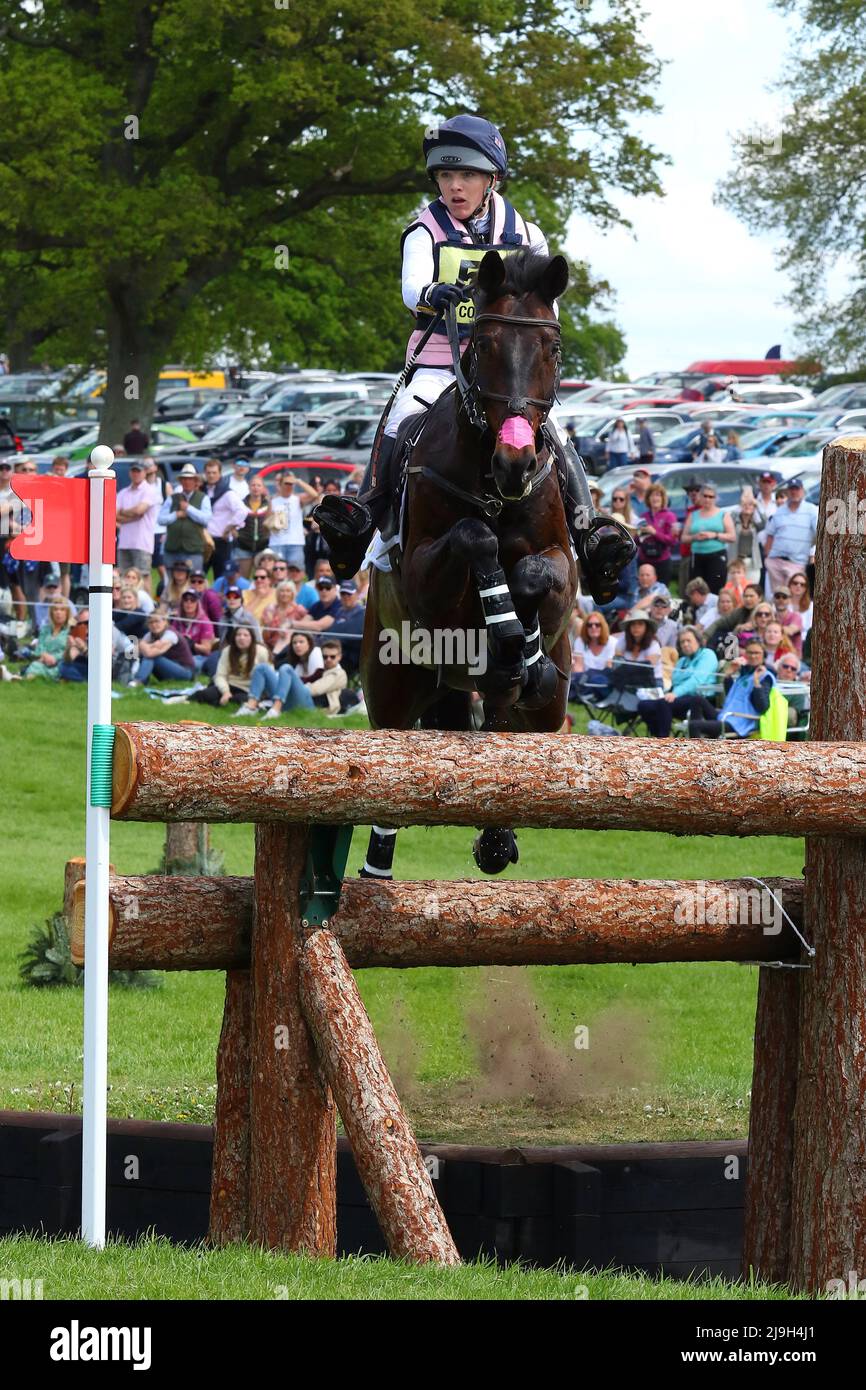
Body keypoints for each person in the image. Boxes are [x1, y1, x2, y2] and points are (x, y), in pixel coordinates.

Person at [312, 114, 634, 600]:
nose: (454, 187)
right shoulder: (425, 229)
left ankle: (588, 534)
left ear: (491, 179)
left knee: (558, 439)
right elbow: (409, 286)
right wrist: (431, 290)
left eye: (465, 176)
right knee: (400, 421)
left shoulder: (526, 233)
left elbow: (548, 307)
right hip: (439, 364)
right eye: (445, 176)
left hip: (506, 374)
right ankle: (365, 522)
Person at [684, 639, 776, 739]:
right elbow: (731, 698)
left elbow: (762, 708)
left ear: (763, 655)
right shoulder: (745, 674)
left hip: (740, 723)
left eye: (757, 653)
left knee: (694, 725)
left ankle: (699, 750)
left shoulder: (765, 676)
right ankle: (706, 739)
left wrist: (756, 683)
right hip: (726, 716)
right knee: (697, 699)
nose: (753, 656)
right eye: (750, 652)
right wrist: (729, 675)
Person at [638, 627, 719, 737]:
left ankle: (663, 741)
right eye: (682, 642)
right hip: (679, 698)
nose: (685, 644)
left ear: (698, 641)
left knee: (664, 704)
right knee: (644, 705)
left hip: (699, 699)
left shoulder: (707, 654)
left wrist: (675, 693)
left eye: (688, 640)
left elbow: (697, 680)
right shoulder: (682, 661)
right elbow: (674, 682)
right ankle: (656, 737)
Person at [238, 637, 348, 719]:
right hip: (295, 702)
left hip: (311, 708)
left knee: (286, 668)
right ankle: (250, 706)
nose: (328, 659)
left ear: (339, 657)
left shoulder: (339, 673)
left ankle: (275, 710)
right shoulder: (320, 670)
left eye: (332, 657)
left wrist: (289, 685)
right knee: (262, 668)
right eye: (325, 657)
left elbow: (314, 690)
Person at [190, 624, 271, 707]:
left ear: (252, 638)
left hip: (248, 690)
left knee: (238, 700)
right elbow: (220, 676)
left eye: (246, 635)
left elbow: (268, 675)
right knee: (205, 694)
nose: (241, 638)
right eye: (238, 635)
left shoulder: (261, 652)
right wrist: (225, 692)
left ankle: (219, 702)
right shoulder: (228, 651)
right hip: (229, 685)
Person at [763, 477, 818, 595]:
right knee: (778, 597)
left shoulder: (811, 510)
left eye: (796, 489)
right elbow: (770, 535)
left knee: (795, 597)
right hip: (775, 561)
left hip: (796, 562)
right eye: (791, 489)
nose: (794, 492)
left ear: (802, 491)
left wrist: (811, 554)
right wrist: (767, 557)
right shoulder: (779, 511)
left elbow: (818, 534)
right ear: (787, 491)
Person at [680, 484, 735, 593]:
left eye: (711, 497)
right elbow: (683, 538)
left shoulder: (723, 514)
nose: (707, 499)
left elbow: (732, 536)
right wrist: (694, 537)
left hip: (716, 555)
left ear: (716, 498)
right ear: (700, 497)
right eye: (705, 496)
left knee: (715, 587)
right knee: (697, 589)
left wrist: (714, 535)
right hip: (697, 556)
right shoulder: (693, 515)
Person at [158, 463, 213, 572]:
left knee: (193, 580)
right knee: (171, 581)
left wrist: (189, 509)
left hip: (193, 549)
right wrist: (176, 515)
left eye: (190, 479)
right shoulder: (172, 498)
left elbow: (206, 519)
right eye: (184, 479)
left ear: (195, 481)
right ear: (181, 481)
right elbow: (160, 520)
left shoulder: (203, 498)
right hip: (172, 548)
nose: (187, 482)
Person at [264, 471, 320, 569]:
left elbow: (315, 494)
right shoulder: (273, 501)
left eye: (291, 484)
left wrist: (298, 481)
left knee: (296, 571)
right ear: (280, 484)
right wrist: (273, 522)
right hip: (277, 543)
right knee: (277, 572)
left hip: (295, 542)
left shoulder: (297, 499)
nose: (289, 486)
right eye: (286, 483)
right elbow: (265, 524)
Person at [116, 460, 160, 577]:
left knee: (143, 576)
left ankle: (145, 596)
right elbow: (114, 515)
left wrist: (123, 512)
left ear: (145, 472)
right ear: (130, 473)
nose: (136, 474)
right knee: (124, 577)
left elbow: (139, 510)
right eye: (133, 471)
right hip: (124, 542)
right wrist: (133, 516)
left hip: (142, 542)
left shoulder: (150, 490)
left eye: (138, 471)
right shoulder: (123, 492)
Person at [132, 609, 196, 685]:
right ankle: (140, 680)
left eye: (157, 621)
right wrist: (143, 645)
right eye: (151, 622)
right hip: (169, 670)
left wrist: (142, 644)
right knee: (144, 656)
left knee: (152, 657)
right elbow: (136, 652)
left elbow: (149, 653)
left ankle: (138, 681)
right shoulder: (150, 635)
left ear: (165, 622)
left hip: (185, 672)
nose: (154, 625)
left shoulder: (170, 634)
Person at [636, 483, 678, 584]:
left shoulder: (670, 516)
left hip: (662, 561)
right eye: (652, 495)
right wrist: (640, 534)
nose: (655, 498)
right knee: (644, 590)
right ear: (648, 498)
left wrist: (654, 532)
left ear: (663, 498)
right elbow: (636, 541)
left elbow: (672, 541)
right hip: (644, 560)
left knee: (661, 595)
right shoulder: (643, 516)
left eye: (658, 495)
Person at [569, 610, 616, 700]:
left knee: (597, 679)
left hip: (602, 678)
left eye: (597, 625)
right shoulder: (580, 641)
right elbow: (578, 667)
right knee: (574, 678)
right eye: (589, 625)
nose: (593, 627)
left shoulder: (612, 642)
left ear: (603, 627)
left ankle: (579, 694)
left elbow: (608, 667)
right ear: (585, 628)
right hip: (583, 678)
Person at [22, 595, 73, 679]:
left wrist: (54, 658)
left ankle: (22, 676)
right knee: (35, 665)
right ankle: (25, 677)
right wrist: (44, 655)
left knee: (35, 667)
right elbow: (39, 648)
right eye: (55, 609)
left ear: (67, 613)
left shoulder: (70, 631)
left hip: (59, 664)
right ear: (51, 612)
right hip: (42, 661)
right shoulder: (45, 629)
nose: (58, 612)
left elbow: (68, 652)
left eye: (62, 610)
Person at [233, 475, 272, 576]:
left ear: (263, 488)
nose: (256, 488)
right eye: (253, 485)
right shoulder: (241, 504)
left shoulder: (268, 504)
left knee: (263, 578)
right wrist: (237, 535)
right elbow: (233, 522)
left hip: (262, 547)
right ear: (248, 487)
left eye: (259, 485)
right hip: (243, 547)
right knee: (243, 579)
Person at [327, 581, 366, 674]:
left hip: (350, 657)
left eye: (349, 593)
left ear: (356, 594)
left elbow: (349, 634)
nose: (346, 597)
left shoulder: (362, 613)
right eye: (343, 594)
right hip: (333, 651)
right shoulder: (338, 611)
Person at [613, 610, 663, 682]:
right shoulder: (622, 641)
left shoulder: (654, 644)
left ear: (647, 627)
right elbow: (616, 663)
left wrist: (624, 666)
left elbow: (646, 668)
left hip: (652, 681)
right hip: (627, 680)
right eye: (633, 624)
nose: (636, 627)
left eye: (640, 624)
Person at [172, 589, 217, 669]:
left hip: (199, 656)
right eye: (186, 600)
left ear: (198, 603)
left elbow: (207, 649)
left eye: (192, 600)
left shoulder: (205, 622)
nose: (189, 603)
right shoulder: (177, 619)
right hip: (180, 652)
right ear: (182, 603)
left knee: (192, 663)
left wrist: (192, 644)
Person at [728, 492, 765, 585]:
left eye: (751, 505)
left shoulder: (755, 525)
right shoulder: (734, 522)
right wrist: (741, 505)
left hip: (752, 562)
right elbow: (730, 517)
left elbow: (766, 521)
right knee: (734, 588)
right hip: (736, 561)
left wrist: (758, 505)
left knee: (751, 588)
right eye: (745, 505)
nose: (747, 507)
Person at [677, 476, 703, 593]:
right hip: (686, 553)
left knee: (696, 589)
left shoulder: (705, 511)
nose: (693, 493)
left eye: (697, 490)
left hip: (698, 555)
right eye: (690, 491)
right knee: (684, 588)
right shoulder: (690, 510)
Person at [772, 585, 803, 655]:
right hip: (773, 654)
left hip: (792, 657)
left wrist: (771, 629)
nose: (781, 599)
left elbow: (790, 630)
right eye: (777, 597)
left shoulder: (795, 616)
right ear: (773, 599)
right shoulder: (770, 615)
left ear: (790, 599)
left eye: (784, 597)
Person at [788, 570, 813, 641]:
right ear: (790, 585)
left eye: (802, 584)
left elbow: (810, 628)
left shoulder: (811, 606)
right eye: (795, 583)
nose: (798, 586)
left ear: (806, 588)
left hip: (804, 640)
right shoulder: (782, 603)